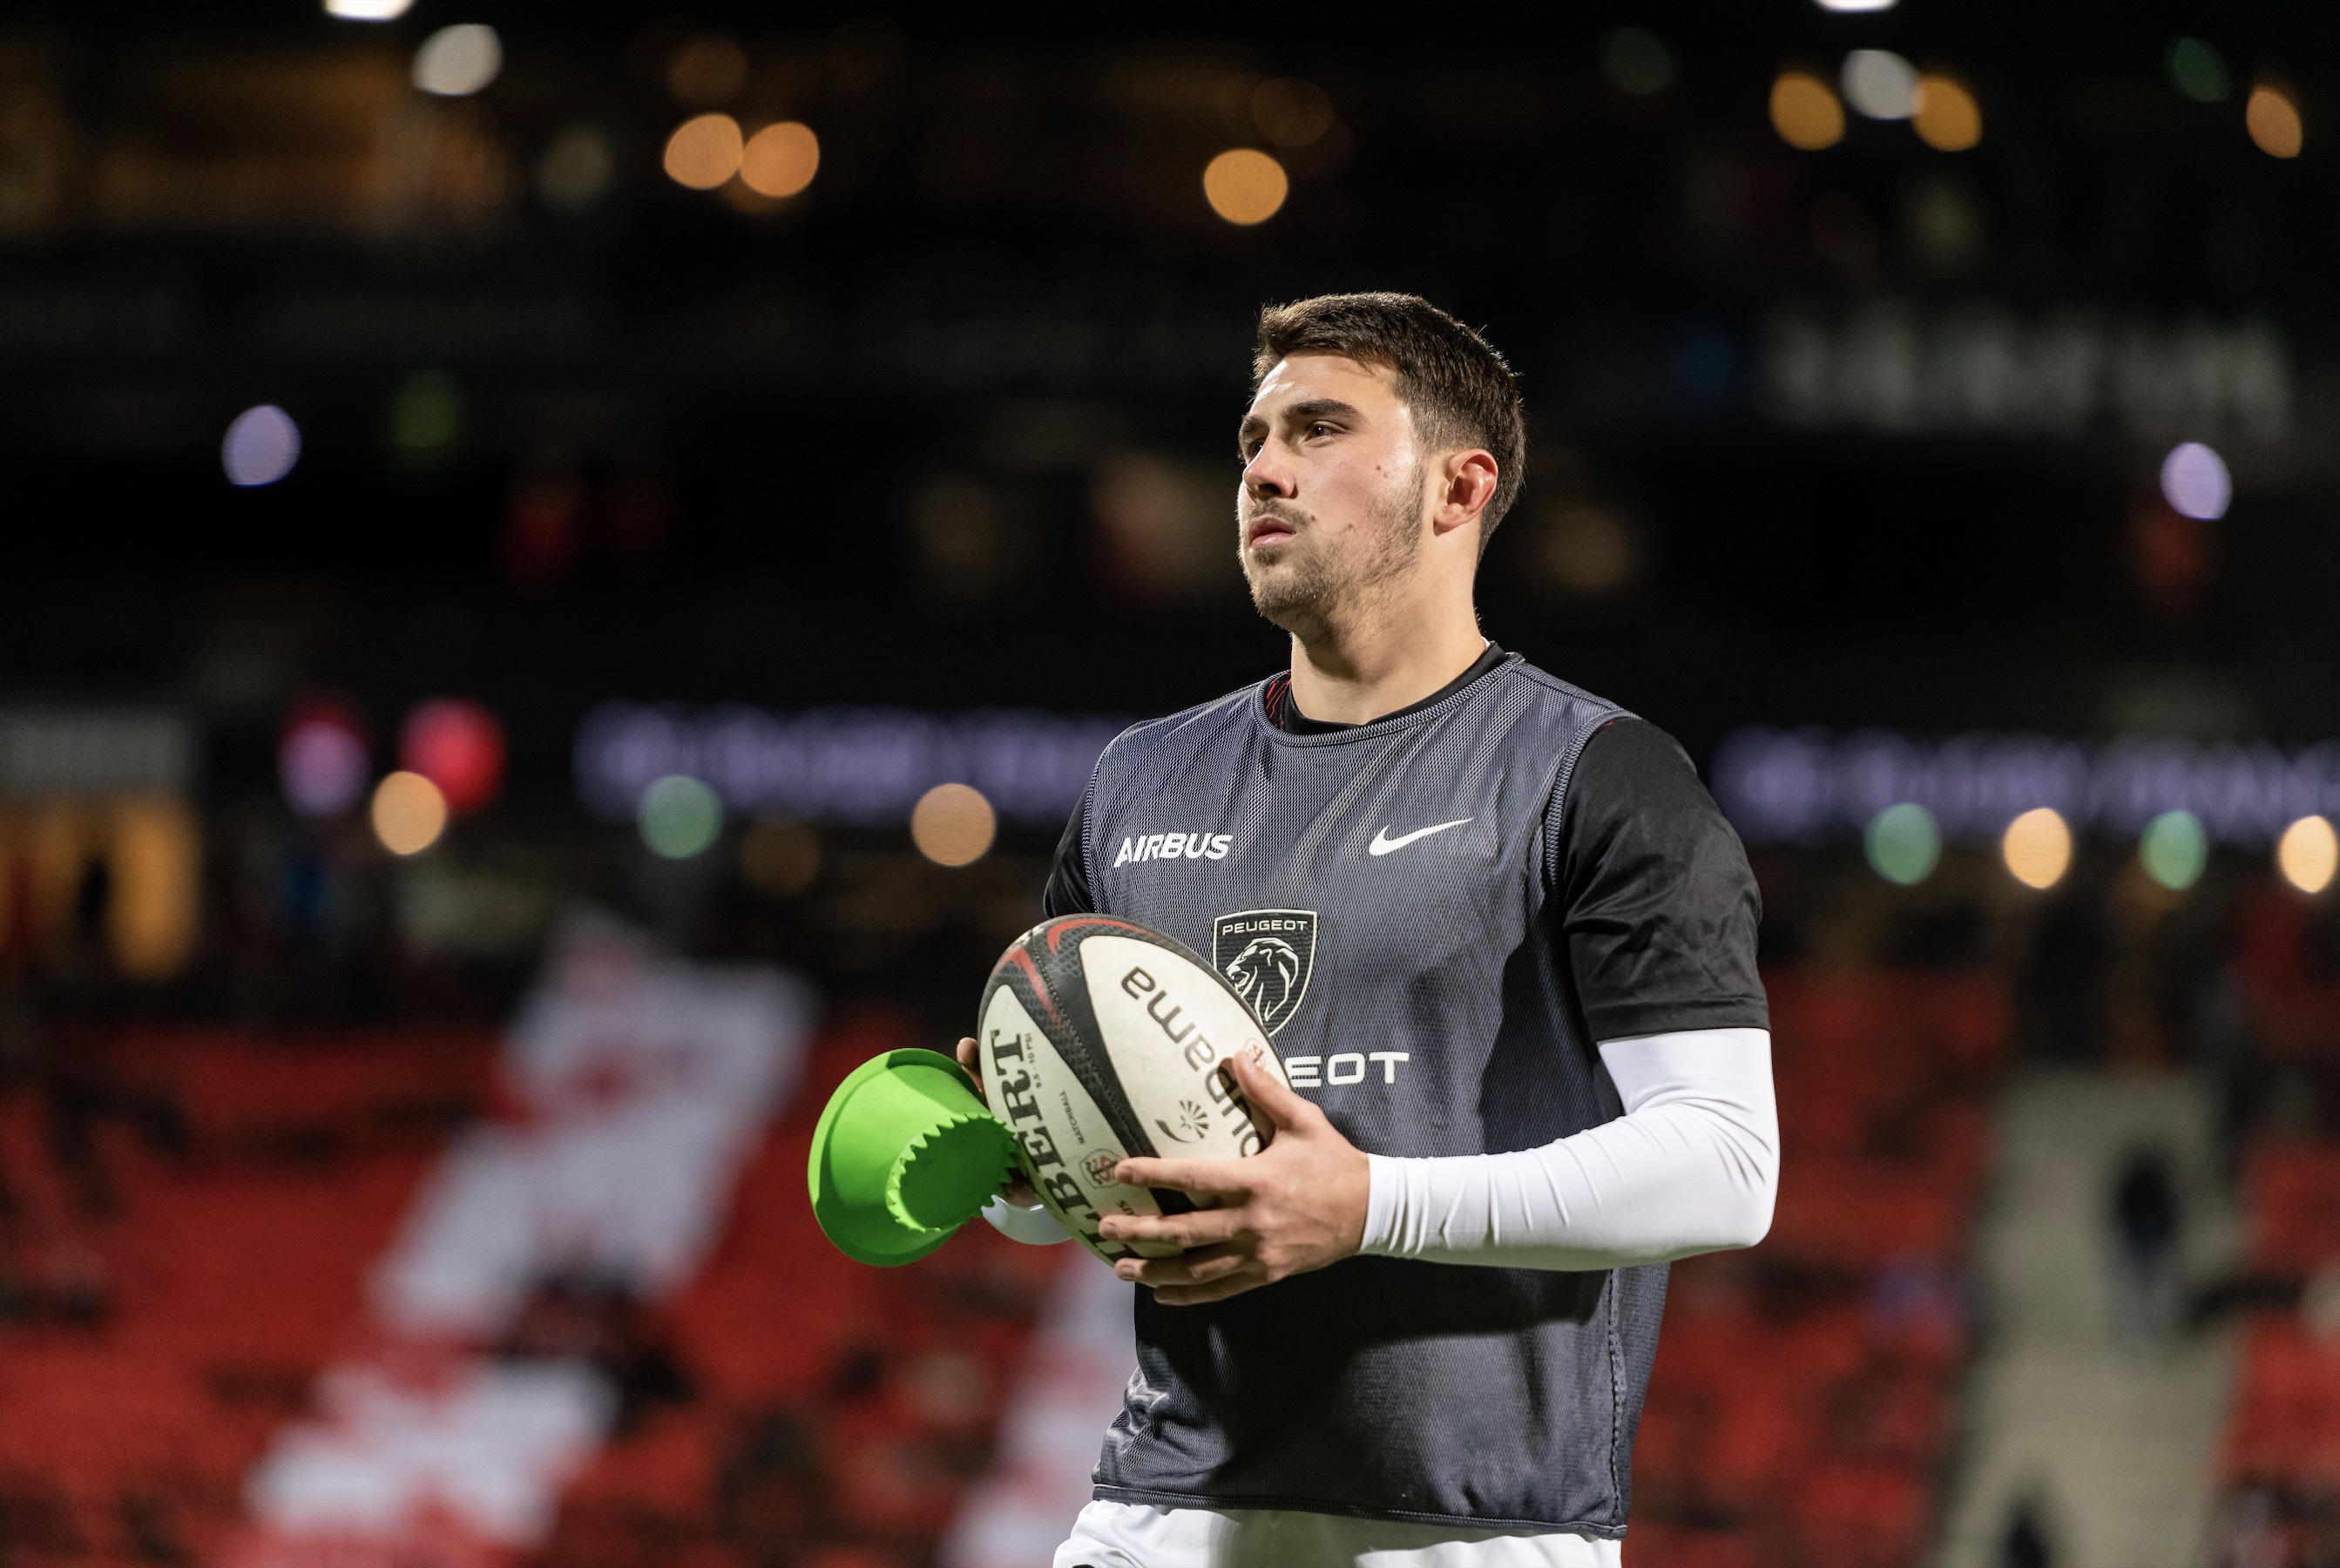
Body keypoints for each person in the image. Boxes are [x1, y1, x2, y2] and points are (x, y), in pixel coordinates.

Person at [955, 292, 1778, 1567]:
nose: (1263, 469)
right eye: (1253, 439)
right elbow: (1094, 1193)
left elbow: (1726, 1165)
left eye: (1320, 429)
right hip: (1158, 1516)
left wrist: (1369, 1205)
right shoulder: (1140, 780)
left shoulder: (1600, 775)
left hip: (1474, 1533)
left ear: (1460, 487)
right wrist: (1024, 1169)